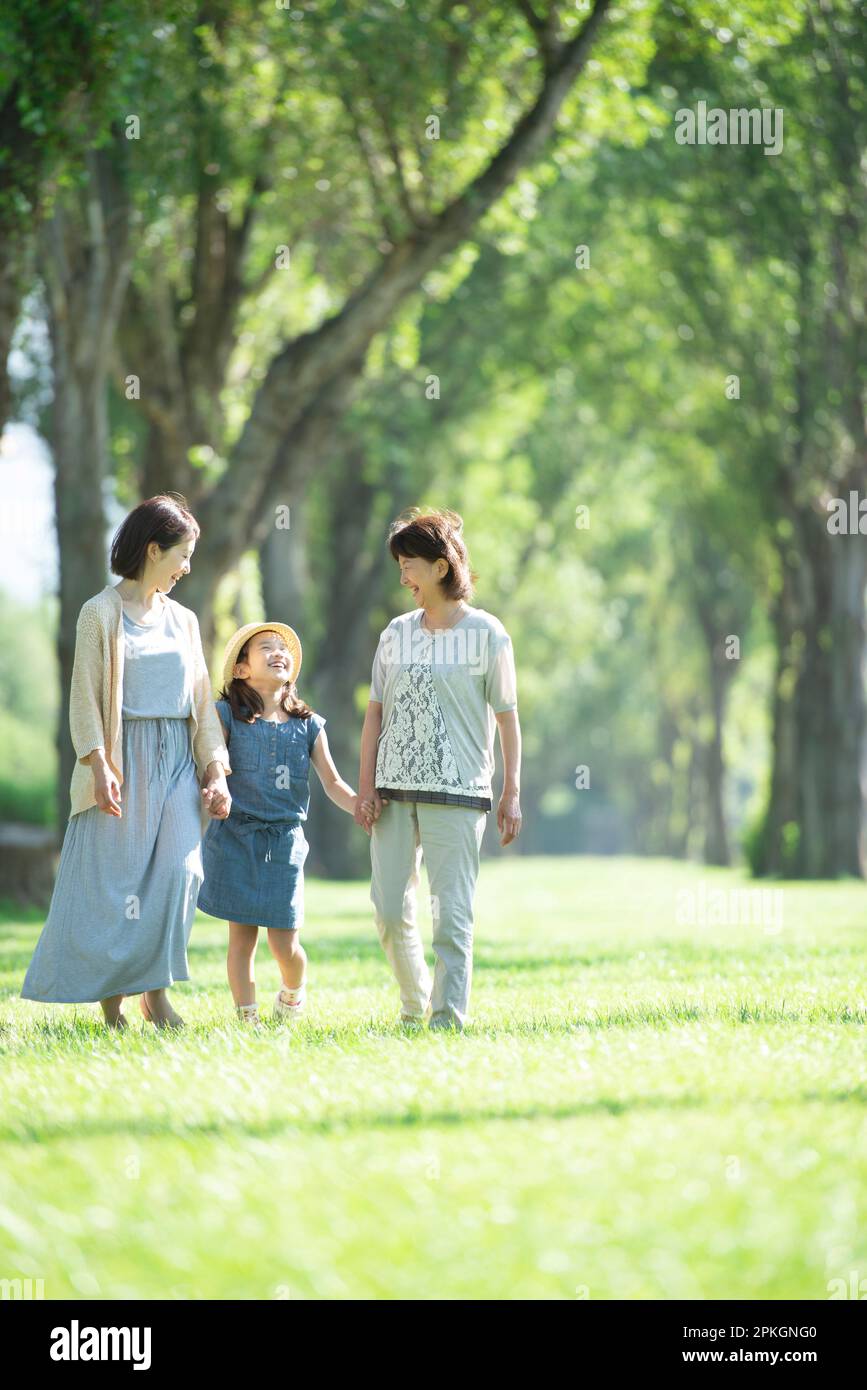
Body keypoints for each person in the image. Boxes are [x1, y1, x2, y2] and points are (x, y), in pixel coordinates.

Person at [21, 493, 231, 1031]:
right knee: (116, 883)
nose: (188, 566)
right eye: (183, 554)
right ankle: (113, 1003)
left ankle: (156, 996)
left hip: (176, 761)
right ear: (154, 549)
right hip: (121, 758)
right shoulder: (100, 612)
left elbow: (202, 700)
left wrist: (213, 769)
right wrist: (98, 763)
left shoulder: (183, 620)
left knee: (180, 874)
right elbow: (84, 697)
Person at [356, 507, 523, 1032]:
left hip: (459, 793)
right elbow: (375, 712)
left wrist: (512, 790)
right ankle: (415, 1002)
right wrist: (366, 786)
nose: (403, 578)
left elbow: (507, 719)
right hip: (392, 791)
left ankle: (447, 1019)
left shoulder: (488, 634)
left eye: (410, 566)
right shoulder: (395, 633)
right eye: (401, 566)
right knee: (388, 908)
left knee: (450, 916)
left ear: (442, 567)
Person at [196, 621, 363, 1026]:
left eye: (283, 648)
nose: (278, 652)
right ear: (241, 669)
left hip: (284, 842)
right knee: (242, 940)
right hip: (236, 837)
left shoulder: (309, 725)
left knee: (284, 943)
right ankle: (246, 1017)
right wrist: (214, 788)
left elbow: (333, 782)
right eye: (266, 647)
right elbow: (212, 759)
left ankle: (293, 992)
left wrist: (360, 806)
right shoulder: (225, 716)